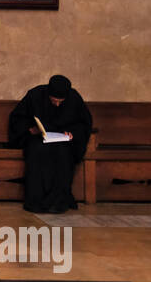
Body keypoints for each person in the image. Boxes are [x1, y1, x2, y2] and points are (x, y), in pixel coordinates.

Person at [8, 74, 92, 213]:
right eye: (54, 101)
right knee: (37, 150)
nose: (57, 104)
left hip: (63, 141)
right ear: (48, 94)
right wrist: (31, 129)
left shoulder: (74, 98)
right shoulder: (35, 95)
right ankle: (36, 202)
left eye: (61, 102)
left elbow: (84, 123)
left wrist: (72, 133)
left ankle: (58, 202)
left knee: (64, 153)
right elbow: (18, 118)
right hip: (38, 139)